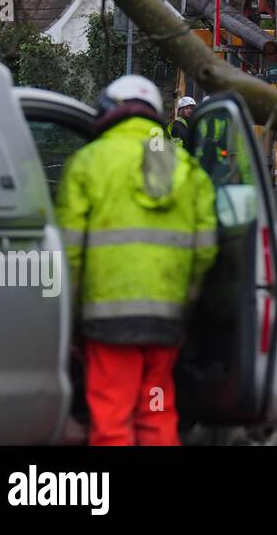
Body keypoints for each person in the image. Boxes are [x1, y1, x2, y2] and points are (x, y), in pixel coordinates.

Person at [57, 75, 219, 446]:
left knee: (112, 418)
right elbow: (207, 248)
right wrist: (186, 302)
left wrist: (70, 313)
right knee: (157, 410)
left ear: (109, 112)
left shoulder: (88, 163)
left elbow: (69, 254)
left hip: (107, 322)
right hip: (165, 322)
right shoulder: (184, 167)